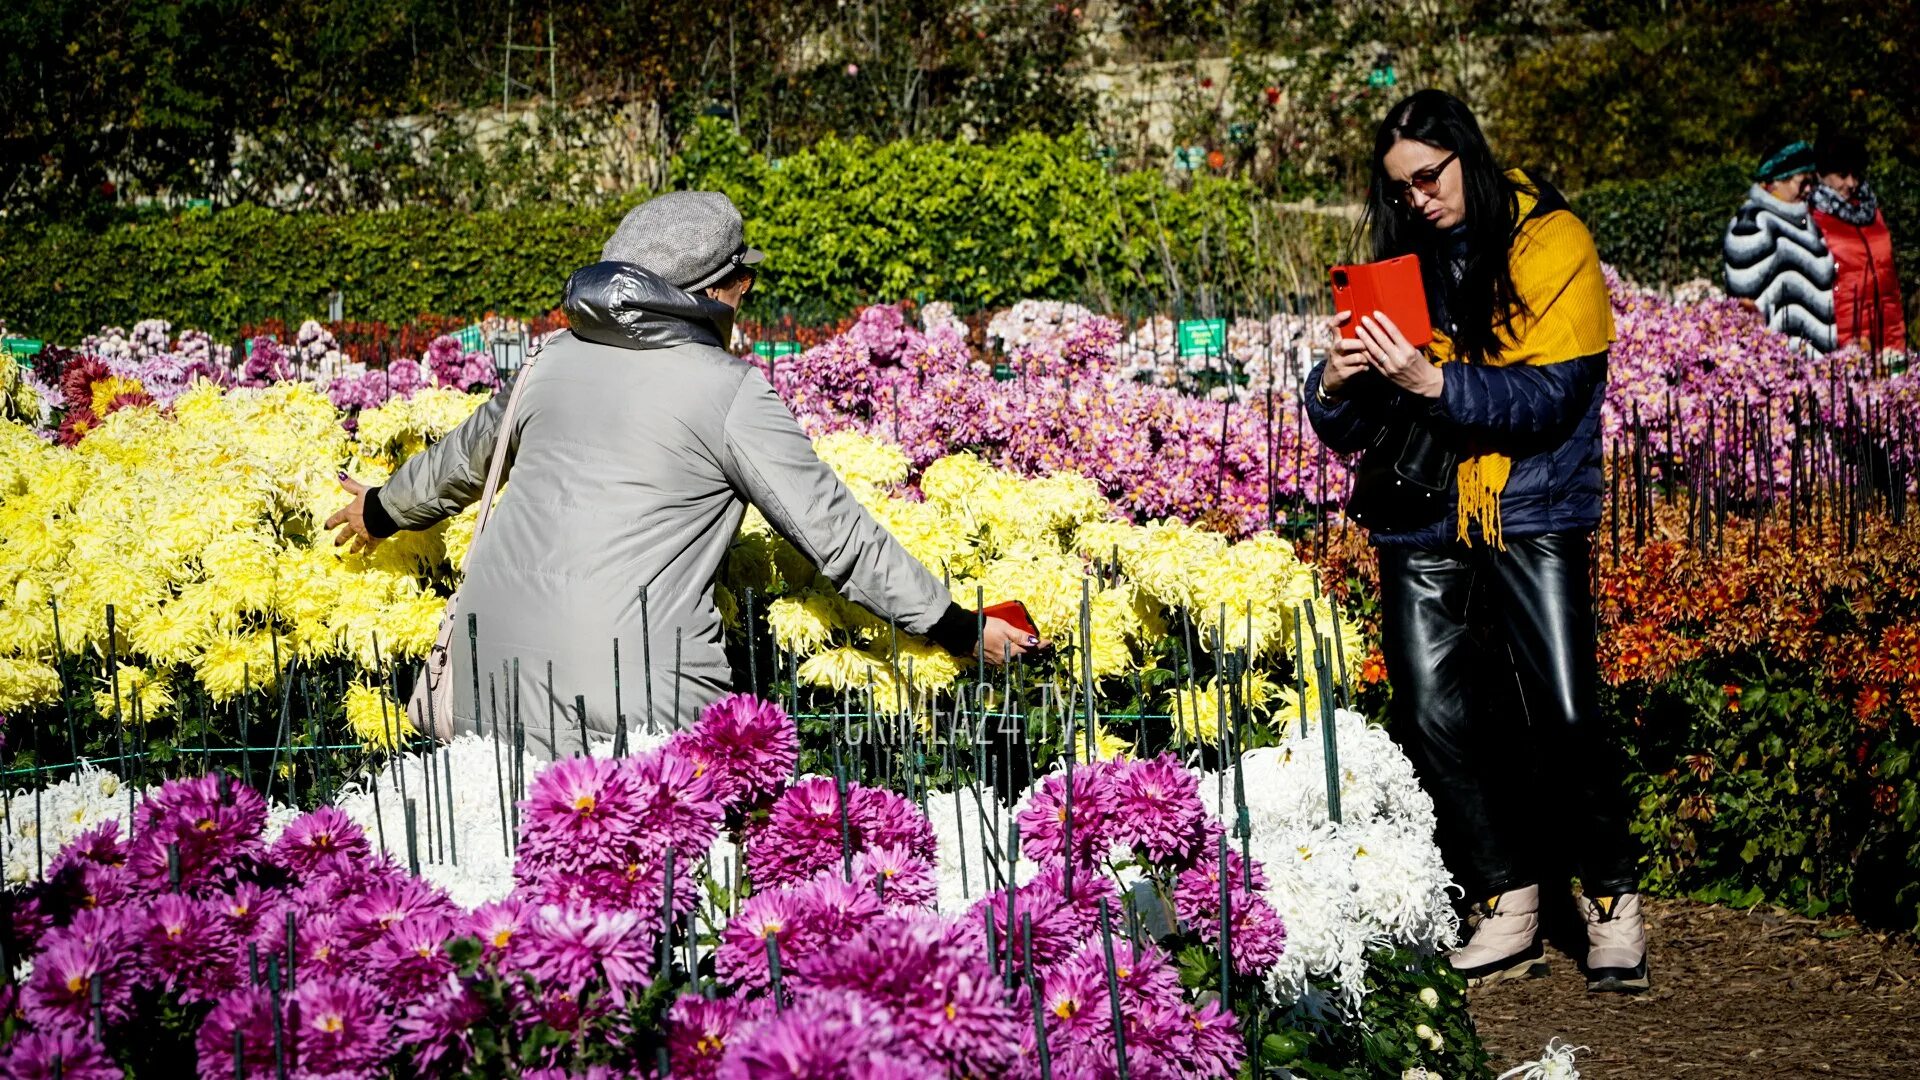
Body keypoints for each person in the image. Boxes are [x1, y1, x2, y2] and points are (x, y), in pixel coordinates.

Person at [326, 191, 1038, 752]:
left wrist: (380, 510)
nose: (747, 295)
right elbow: (836, 535)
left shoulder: (548, 360)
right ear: (707, 291)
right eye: (742, 280)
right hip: (630, 711)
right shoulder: (727, 391)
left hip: (487, 684)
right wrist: (954, 626)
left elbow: (463, 458)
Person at [1305, 90, 1646, 994]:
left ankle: (1611, 897)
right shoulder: (1399, 265)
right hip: (1423, 507)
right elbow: (1352, 429)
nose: (1417, 199)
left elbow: (1553, 399)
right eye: (1400, 188)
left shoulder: (1552, 245)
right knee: (1432, 710)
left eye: (1429, 177)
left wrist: (1435, 383)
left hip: (1530, 501)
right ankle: (1507, 897)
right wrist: (1333, 382)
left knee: (1563, 708)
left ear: (1468, 155)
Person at [1723, 140, 1837, 353]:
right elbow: (1744, 304)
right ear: (1775, 181)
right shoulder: (1752, 222)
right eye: (1802, 182)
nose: (1809, 189)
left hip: (1816, 358)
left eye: (1812, 182)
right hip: (1780, 360)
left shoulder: (1806, 223)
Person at [1810, 133, 1907, 357]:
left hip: (1888, 335)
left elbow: (1889, 280)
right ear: (1820, 174)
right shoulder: (1812, 218)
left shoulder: (1872, 213)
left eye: (1855, 174)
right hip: (1845, 341)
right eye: (1842, 175)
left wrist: (1897, 335)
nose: (1851, 183)